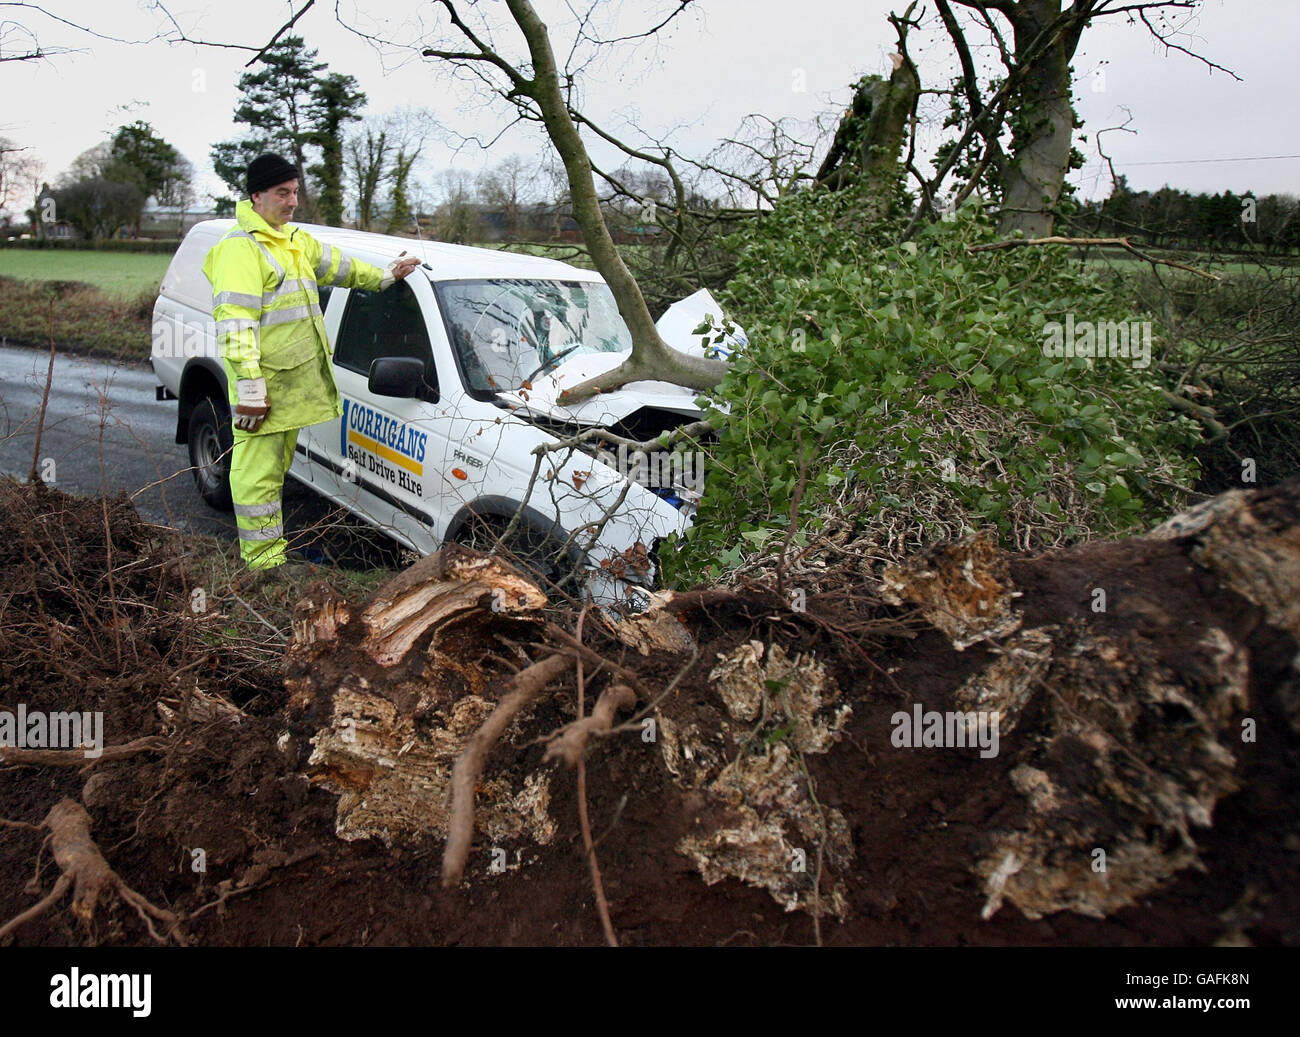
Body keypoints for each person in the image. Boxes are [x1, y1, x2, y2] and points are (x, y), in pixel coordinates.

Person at [203, 153, 420, 575]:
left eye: (295, 192)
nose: (292, 202)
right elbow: (235, 328)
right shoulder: (241, 250)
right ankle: (263, 567)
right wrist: (250, 393)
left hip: (286, 390)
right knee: (256, 476)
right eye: (282, 193)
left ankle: (270, 557)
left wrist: (388, 275)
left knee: (273, 473)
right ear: (256, 196)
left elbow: (343, 267)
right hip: (263, 392)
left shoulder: (293, 241)